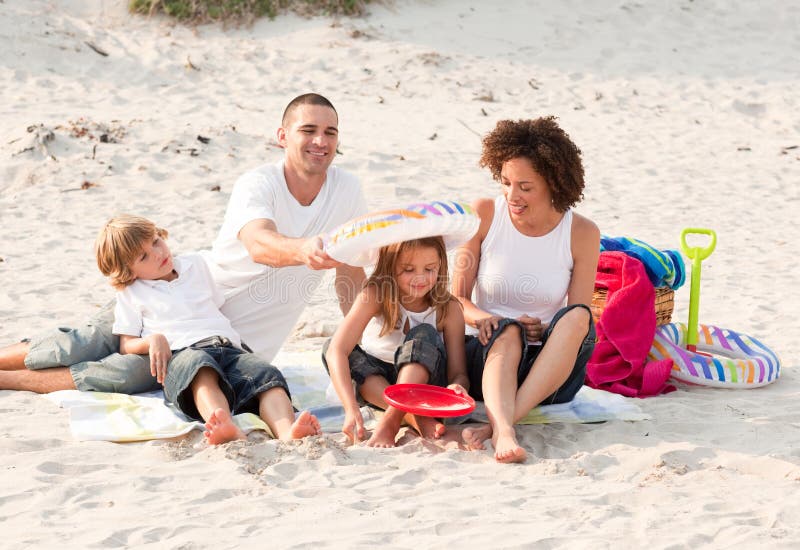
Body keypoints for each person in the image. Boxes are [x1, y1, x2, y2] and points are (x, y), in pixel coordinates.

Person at [0, 93, 367, 395]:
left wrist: (362, 342)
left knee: (125, 373)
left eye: (330, 132)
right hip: (171, 291)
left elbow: (350, 274)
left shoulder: (347, 190)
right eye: (309, 130)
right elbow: (259, 243)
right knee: (83, 342)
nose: (321, 141)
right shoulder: (258, 183)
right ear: (283, 136)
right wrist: (305, 250)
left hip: (229, 342)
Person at [97, 214, 321, 444]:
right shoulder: (132, 293)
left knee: (266, 375)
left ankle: (287, 431)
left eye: (155, 241)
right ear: (129, 272)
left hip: (226, 346)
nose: (158, 253)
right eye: (144, 256)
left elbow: (216, 302)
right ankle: (225, 424)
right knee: (201, 371)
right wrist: (152, 340)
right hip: (183, 354)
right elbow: (126, 344)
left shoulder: (195, 264)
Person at [452, 117, 600, 464]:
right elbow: (455, 300)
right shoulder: (484, 214)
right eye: (505, 182)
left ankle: (495, 425)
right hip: (488, 357)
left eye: (525, 187)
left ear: (553, 183)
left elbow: (575, 319)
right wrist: (490, 318)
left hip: (549, 373)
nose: (512, 196)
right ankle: (504, 429)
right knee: (508, 329)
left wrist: (544, 330)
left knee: (580, 317)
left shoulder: (582, 233)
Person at [323, 237, 471, 448]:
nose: (420, 278)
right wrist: (350, 408)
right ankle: (414, 416)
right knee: (330, 346)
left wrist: (458, 386)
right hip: (379, 381)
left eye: (429, 269)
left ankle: (391, 421)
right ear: (390, 268)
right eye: (408, 269)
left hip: (423, 381)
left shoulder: (449, 308)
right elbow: (337, 350)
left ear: (441, 266)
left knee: (423, 333)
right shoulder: (374, 294)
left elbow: (458, 372)